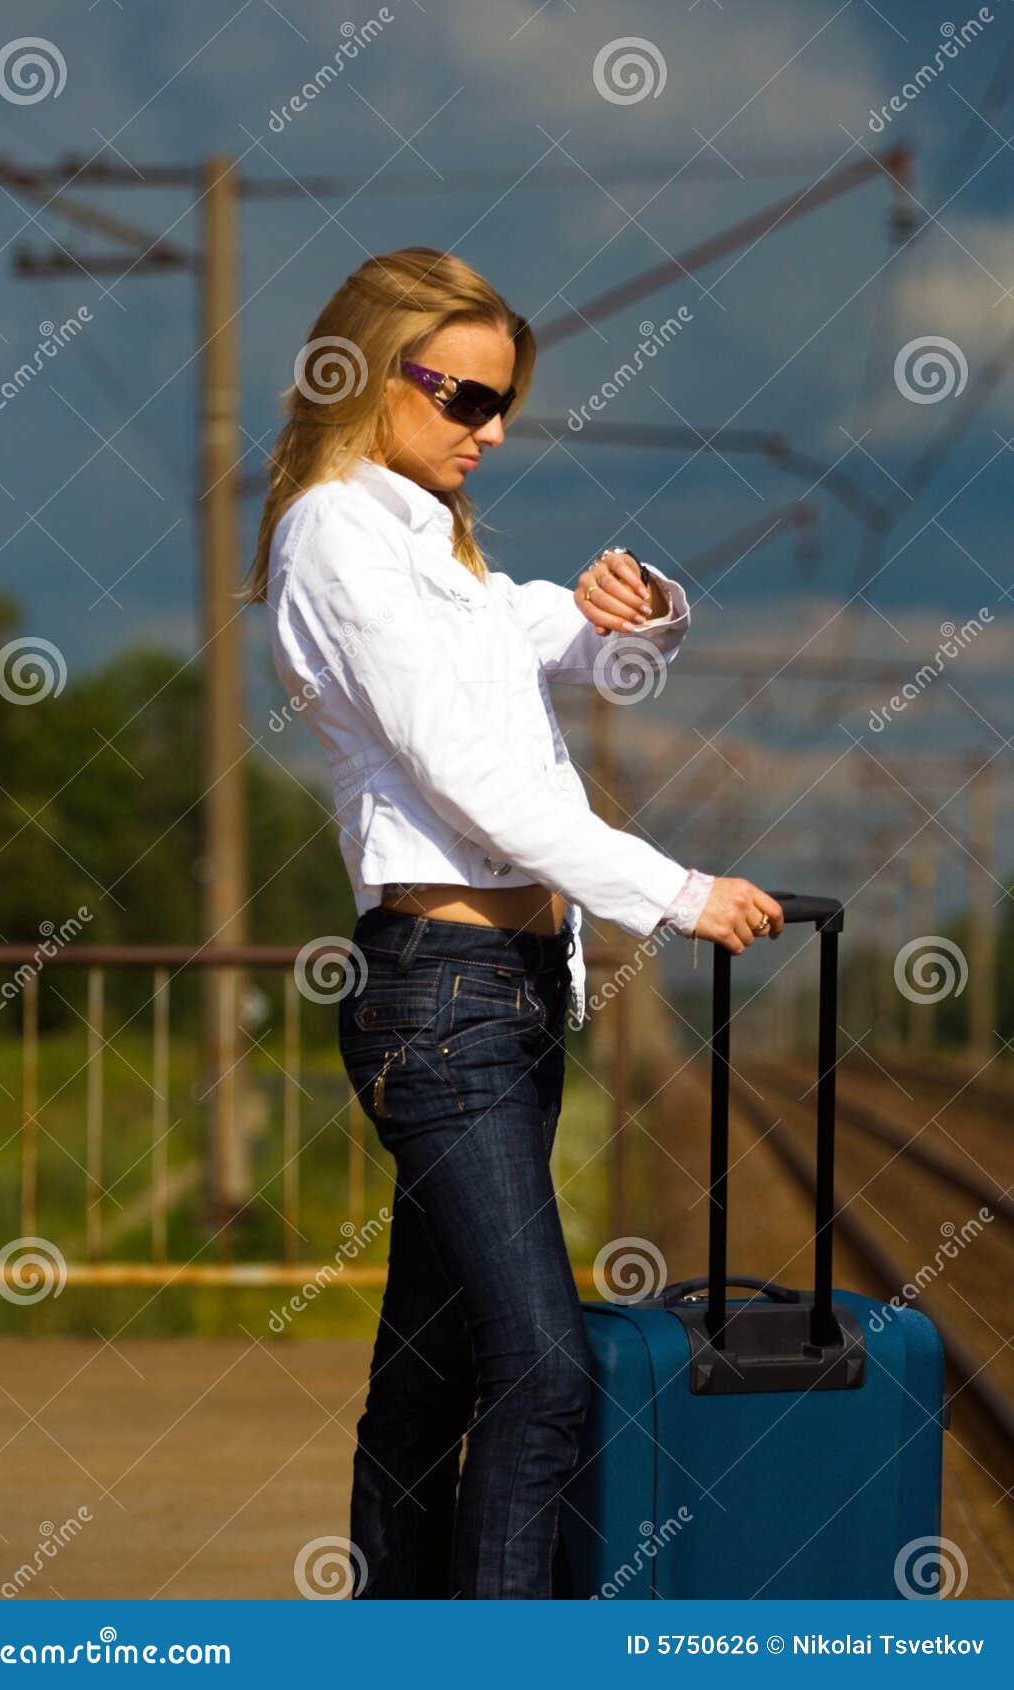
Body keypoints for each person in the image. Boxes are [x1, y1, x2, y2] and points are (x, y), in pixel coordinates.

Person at [247, 246, 785, 1600]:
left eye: (501, 405)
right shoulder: (336, 534)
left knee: (429, 1372)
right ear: (375, 374)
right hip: (444, 995)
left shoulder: (439, 547)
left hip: (510, 986)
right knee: (541, 1366)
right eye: (463, 399)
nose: (488, 430)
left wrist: (644, 607)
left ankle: (396, 1643)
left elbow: (573, 641)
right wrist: (675, 891)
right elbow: (464, 774)